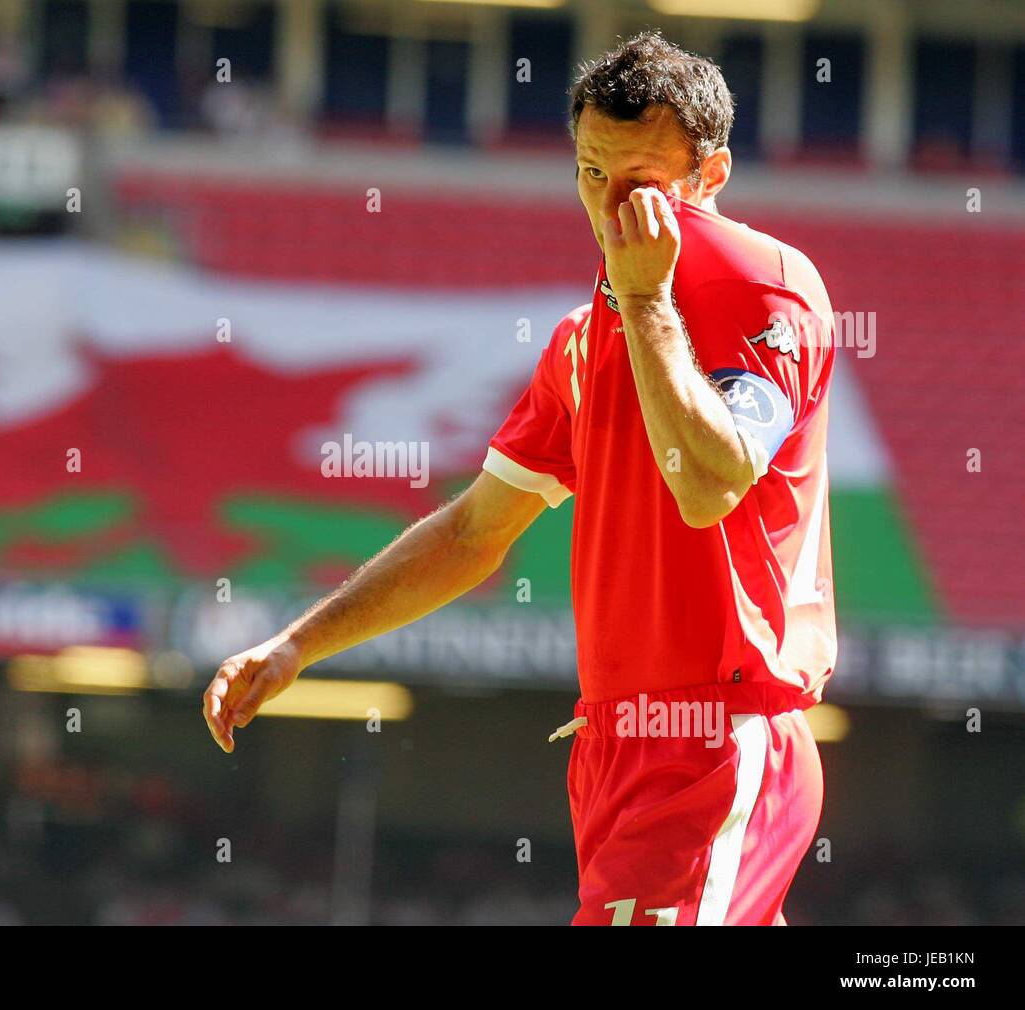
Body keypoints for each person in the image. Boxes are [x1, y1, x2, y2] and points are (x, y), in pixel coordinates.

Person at [203, 31, 836, 926]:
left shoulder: (762, 283)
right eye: (589, 172)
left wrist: (650, 299)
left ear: (711, 174)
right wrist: (299, 644)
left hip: (712, 743)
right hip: (615, 747)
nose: (611, 205)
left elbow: (710, 484)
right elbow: (473, 533)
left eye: (642, 182)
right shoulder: (583, 341)